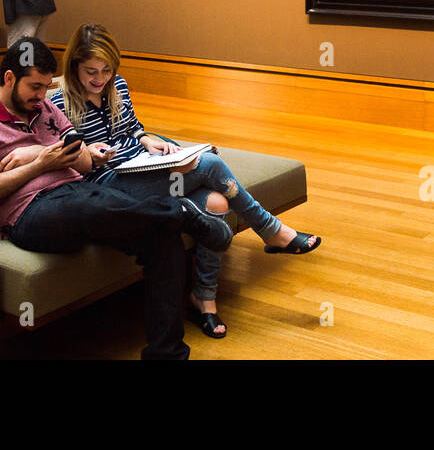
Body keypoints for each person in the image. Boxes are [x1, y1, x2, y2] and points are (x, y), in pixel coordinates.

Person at [0, 38, 233, 360]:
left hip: (84, 193)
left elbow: (84, 163)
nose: (42, 96)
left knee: (163, 239)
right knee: (91, 204)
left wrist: (68, 154)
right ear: (8, 79)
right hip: (32, 212)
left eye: (46, 87)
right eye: (35, 87)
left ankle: (166, 353)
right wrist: (42, 164)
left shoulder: (47, 110)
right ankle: (180, 212)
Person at [48, 23, 319, 339]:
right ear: (73, 67)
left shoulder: (117, 86)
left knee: (217, 202)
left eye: (106, 70)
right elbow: (62, 165)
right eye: (91, 71)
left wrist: (147, 140)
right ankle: (270, 230)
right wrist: (89, 155)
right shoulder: (58, 104)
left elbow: (133, 128)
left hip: (142, 168)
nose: (100, 79)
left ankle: (204, 299)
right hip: (109, 185)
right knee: (211, 164)